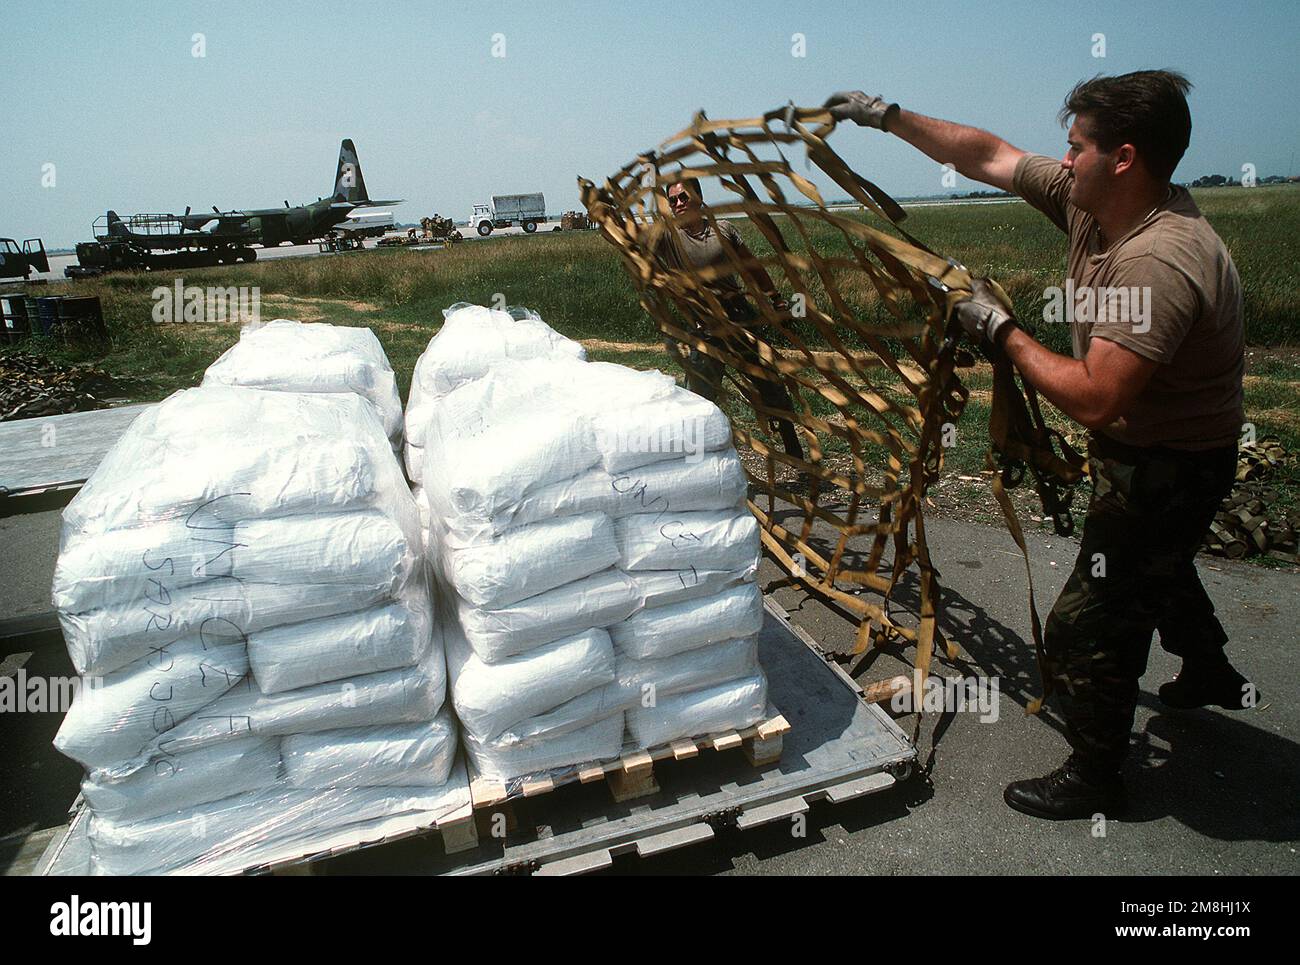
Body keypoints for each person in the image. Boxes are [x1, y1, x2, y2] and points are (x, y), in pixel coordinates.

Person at [826, 71, 1259, 819]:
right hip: (1142, 451)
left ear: (1123, 158)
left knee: (1089, 621)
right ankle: (1211, 665)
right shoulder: (1091, 204)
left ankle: (1097, 777)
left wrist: (1000, 330)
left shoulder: (1159, 258)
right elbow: (987, 155)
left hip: (1172, 462)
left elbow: (1096, 392)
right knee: (1154, 563)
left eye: (1076, 147)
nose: (1063, 161)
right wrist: (886, 116)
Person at [657, 177, 805, 462]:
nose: (678, 204)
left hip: (740, 319)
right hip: (705, 328)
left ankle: (794, 451)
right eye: (673, 200)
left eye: (683, 197)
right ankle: (695, 462)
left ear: (698, 197)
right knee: (698, 398)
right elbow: (633, 242)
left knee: (770, 384)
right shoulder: (667, 237)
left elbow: (753, 268)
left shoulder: (723, 230)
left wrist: (776, 299)